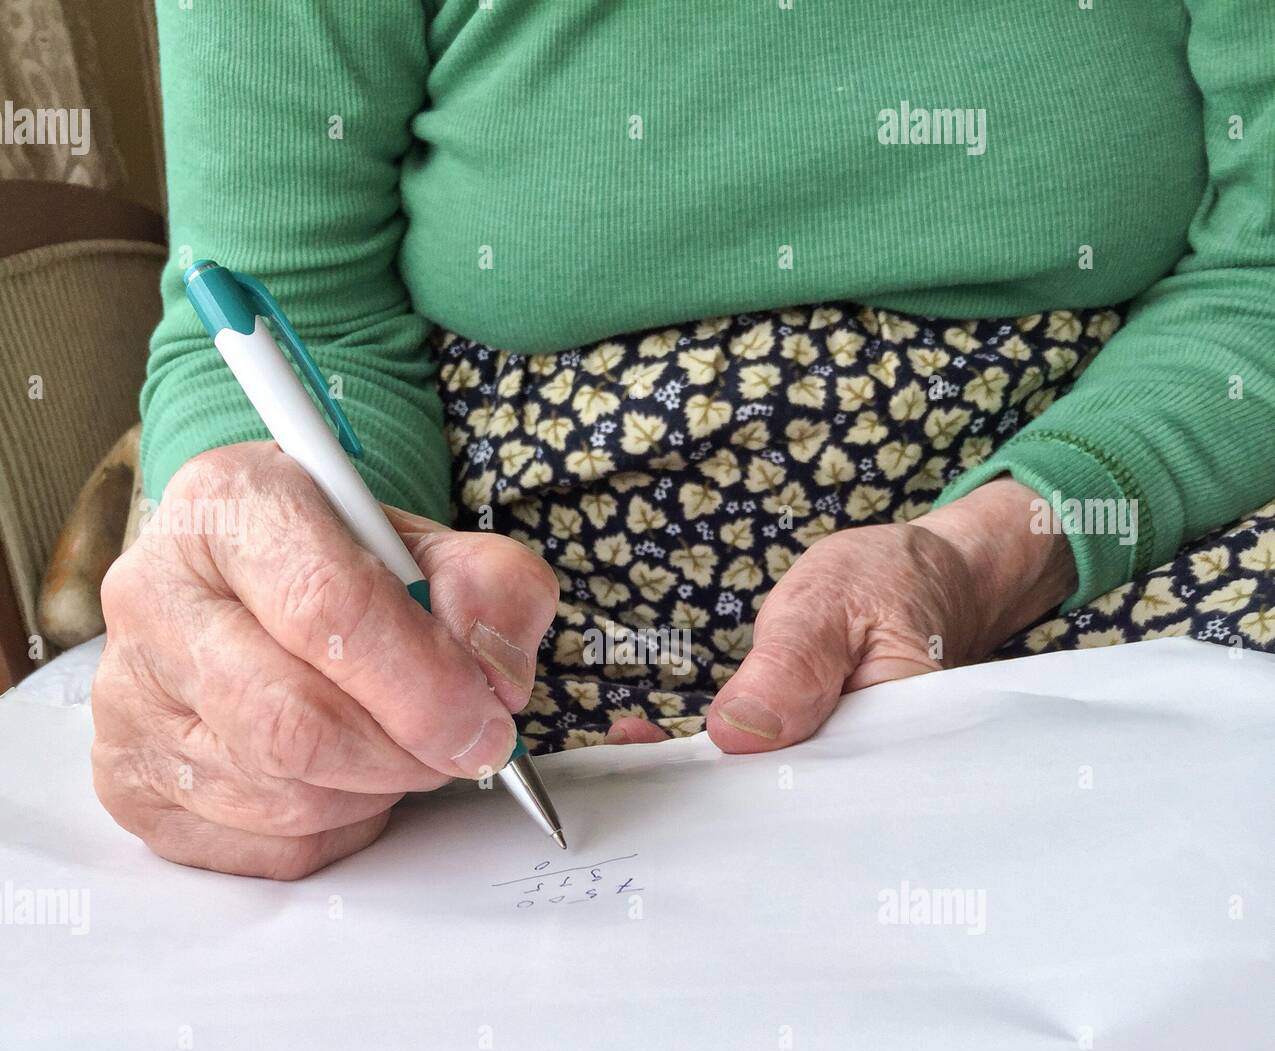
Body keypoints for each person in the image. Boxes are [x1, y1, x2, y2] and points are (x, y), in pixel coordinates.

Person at [94, 0, 1275, 879]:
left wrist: (988, 552)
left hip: (1097, 546)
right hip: (501, 621)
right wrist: (300, 599)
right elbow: (292, 309)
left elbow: (1261, 272)